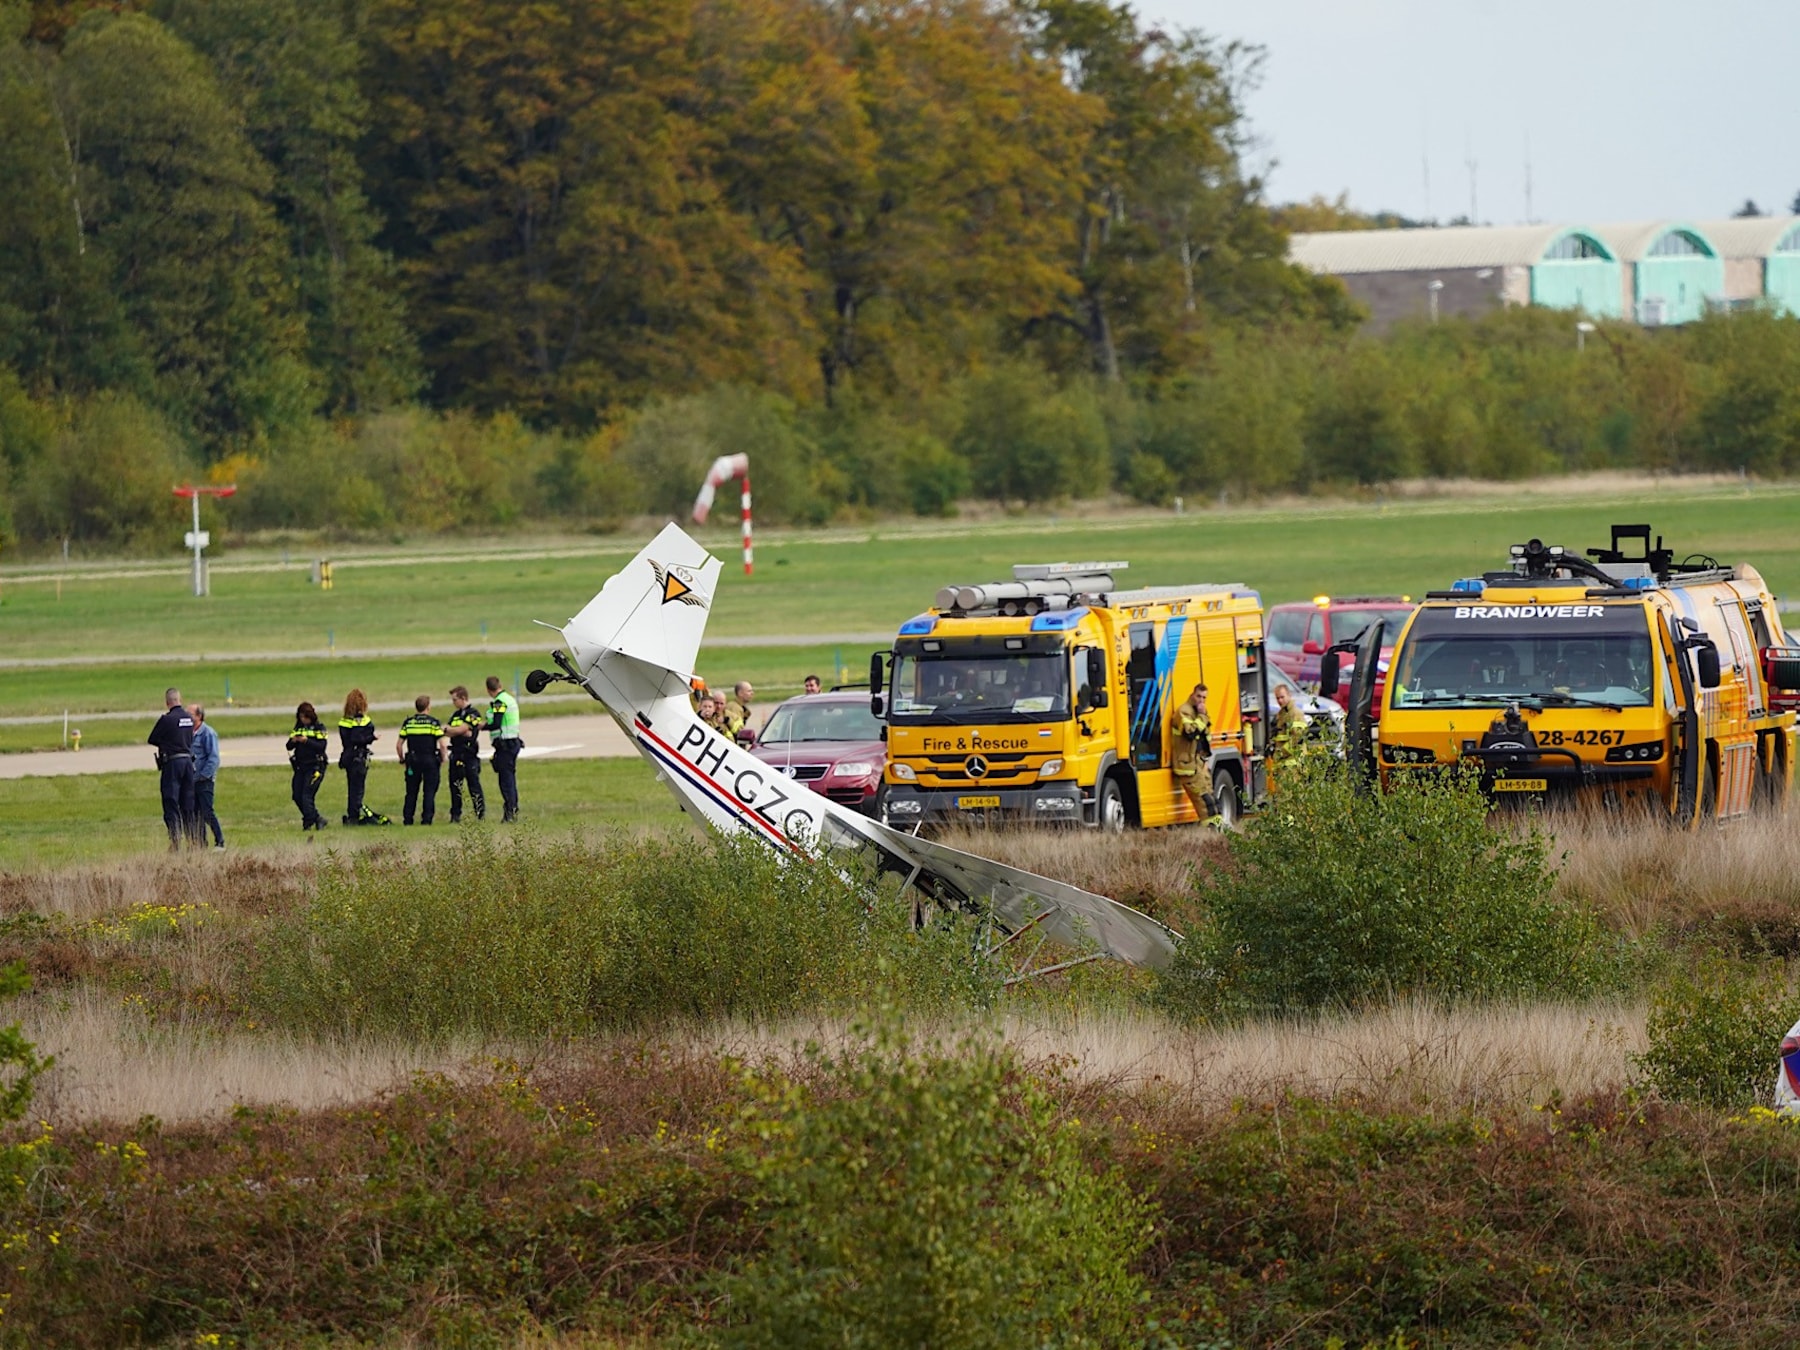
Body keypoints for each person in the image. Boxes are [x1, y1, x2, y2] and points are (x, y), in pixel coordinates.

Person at [147, 688, 199, 851]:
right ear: (180, 700)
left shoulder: (166, 720)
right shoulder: (189, 719)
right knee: (188, 803)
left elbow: (152, 738)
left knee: (171, 801)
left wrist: (167, 743)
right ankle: (193, 840)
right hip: (188, 764)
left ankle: (175, 840)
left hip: (173, 764)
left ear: (167, 702)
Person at [1170, 682, 1219, 821]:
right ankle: (1211, 829)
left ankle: (1219, 828)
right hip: (1187, 765)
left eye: (1204, 698)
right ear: (1192, 694)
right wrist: (1203, 717)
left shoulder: (1200, 712)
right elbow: (1190, 733)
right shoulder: (1184, 711)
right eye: (1199, 696)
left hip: (1199, 763)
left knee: (1212, 798)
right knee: (1204, 801)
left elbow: (1204, 737)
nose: (1201, 700)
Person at [398, 695, 447, 825]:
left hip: (413, 761)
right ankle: (427, 819)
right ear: (428, 707)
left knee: (411, 792)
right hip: (430, 760)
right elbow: (442, 744)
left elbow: (399, 745)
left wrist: (402, 759)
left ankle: (408, 819)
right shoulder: (433, 723)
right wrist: (443, 758)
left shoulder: (408, 723)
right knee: (429, 791)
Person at [338, 689, 382, 825]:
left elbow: (347, 739)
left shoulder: (344, 721)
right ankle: (354, 816)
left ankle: (352, 813)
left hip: (347, 756)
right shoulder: (360, 721)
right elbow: (357, 738)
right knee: (358, 788)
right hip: (358, 757)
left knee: (351, 786)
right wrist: (371, 737)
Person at [445, 685, 487, 823]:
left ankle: (480, 814)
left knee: (474, 785)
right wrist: (456, 730)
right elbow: (449, 730)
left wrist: (454, 730)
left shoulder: (473, 713)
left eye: (455, 699)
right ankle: (455, 815)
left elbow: (462, 730)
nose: (453, 703)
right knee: (455, 786)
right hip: (456, 752)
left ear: (463, 698)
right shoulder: (456, 715)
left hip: (469, 754)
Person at [286, 702, 330, 831]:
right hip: (301, 767)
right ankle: (315, 818)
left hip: (315, 766)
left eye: (305, 717)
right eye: (301, 717)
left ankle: (310, 820)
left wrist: (307, 741)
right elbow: (288, 746)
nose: (303, 720)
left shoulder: (319, 728)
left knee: (307, 795)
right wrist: (294, 740)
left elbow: (321, 746)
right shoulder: (298, 728)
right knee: (297, 795)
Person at [485, 675, 522, 822]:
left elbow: (497, 723)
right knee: (510, 780)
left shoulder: (499, 702)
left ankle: (510, 814)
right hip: (513, 742)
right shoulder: (509, 698)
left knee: (506, 782)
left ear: (488, 689)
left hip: (505, 745)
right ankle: (513, 809)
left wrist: (482, 726)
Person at [190, 704, 225, 849]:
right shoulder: (188, 733)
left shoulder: (208, 733)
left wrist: (204, 775)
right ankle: (201, 843)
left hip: (204, 780)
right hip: (192, 780)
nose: (187, 717)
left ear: (199, 716)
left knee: (207, 811)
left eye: (190, 714)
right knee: (195, 814)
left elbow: (214, 758)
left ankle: (220, 841)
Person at [1271, 683, 1304, 759]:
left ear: (1289, 695)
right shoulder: (1281, 714)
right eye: (1277, 698)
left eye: (1282, 697)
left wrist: (1281, 753)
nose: (1280, 700)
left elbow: (1297, 738)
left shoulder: (1295, 713)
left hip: (1294, 760)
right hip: (1284, 761)